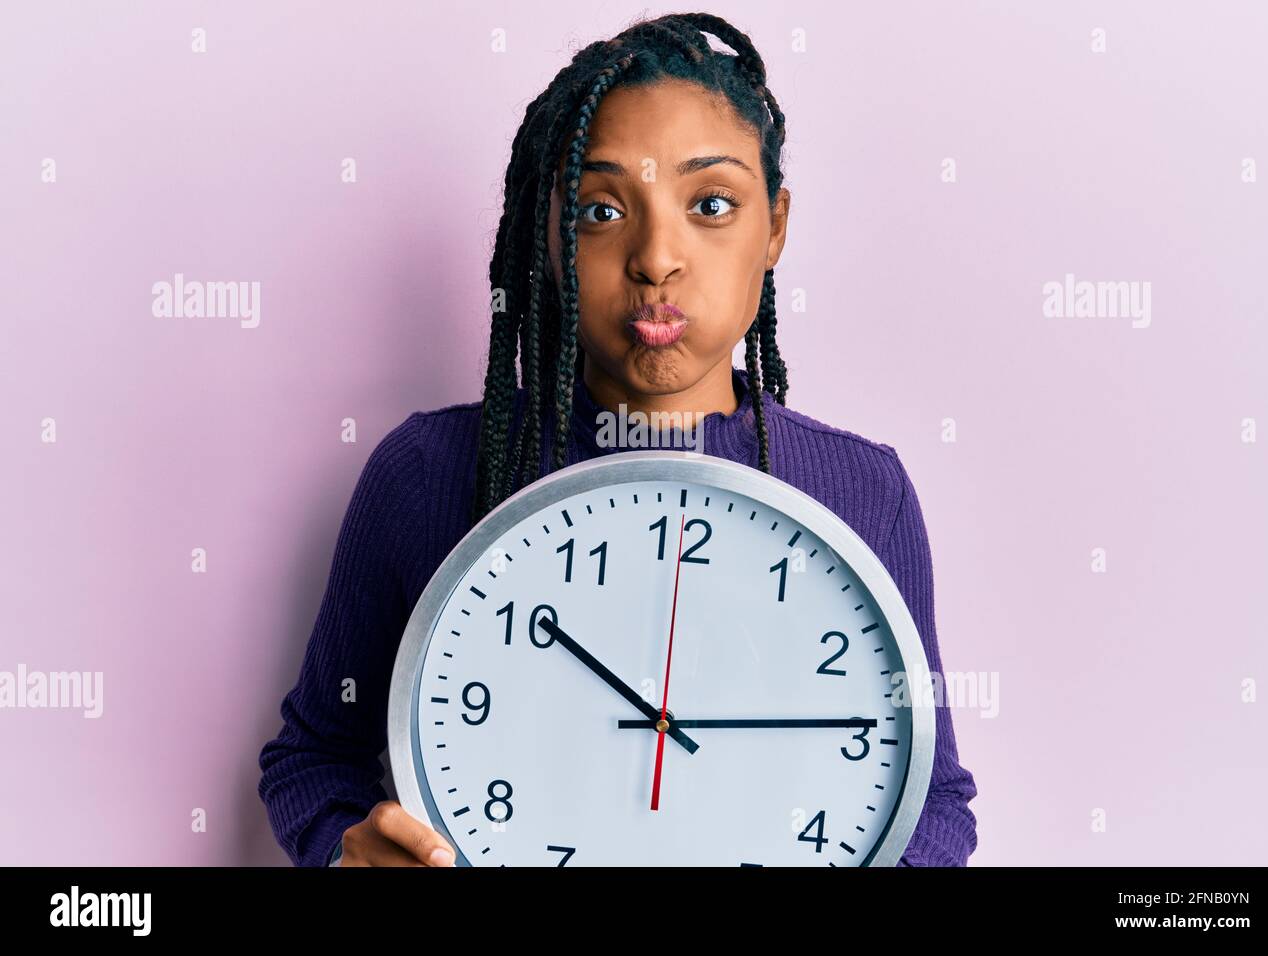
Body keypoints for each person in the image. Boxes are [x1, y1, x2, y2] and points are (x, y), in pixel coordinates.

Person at [257, 12, 978, 868]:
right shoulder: (426, 474)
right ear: (551, 238)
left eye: (711, 204)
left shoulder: (864, 491)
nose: (656, 258)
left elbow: (933, 798)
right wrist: (347, 855)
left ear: (774, 227)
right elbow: (311, 756)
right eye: (601, 210)